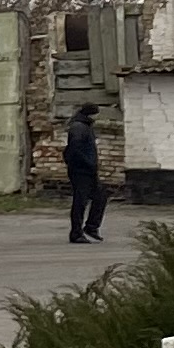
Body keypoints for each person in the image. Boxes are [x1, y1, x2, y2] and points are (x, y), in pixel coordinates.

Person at [64, 105, 110, 245]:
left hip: (88, 170)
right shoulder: (79, 127)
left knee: (100, 196)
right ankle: (76, 233)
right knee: (80, 201)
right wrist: (88, 163)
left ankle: (91, 227)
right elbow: (74, 149)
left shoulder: (84, 126)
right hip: (81, 170)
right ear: (91, 114)